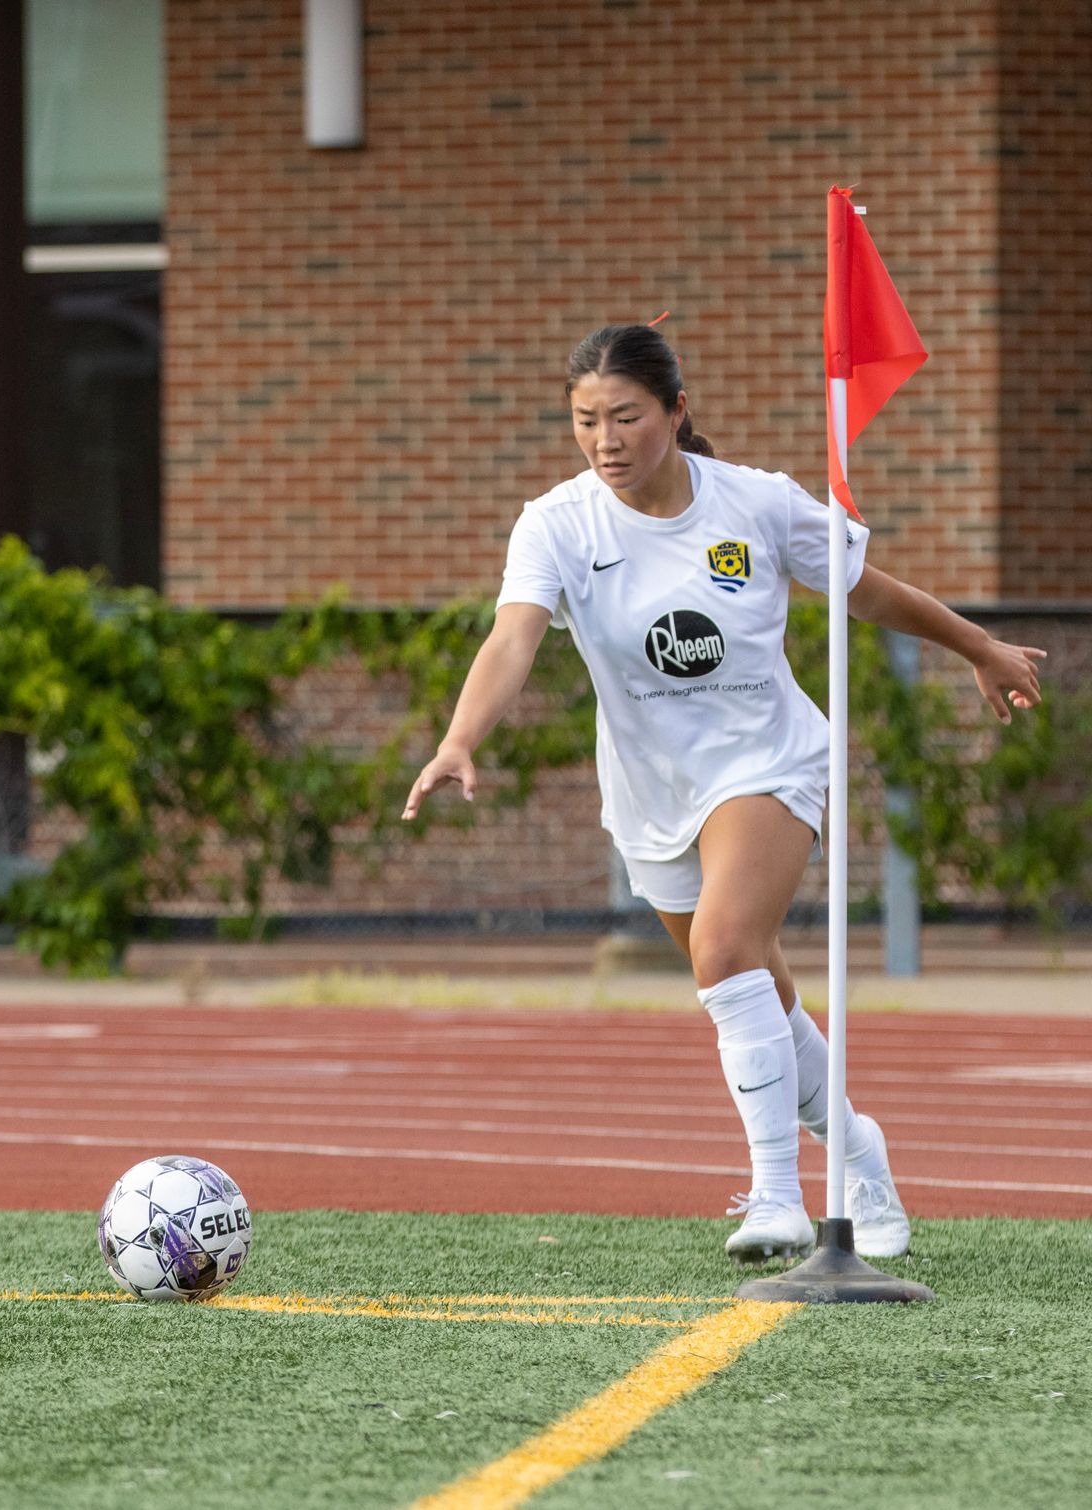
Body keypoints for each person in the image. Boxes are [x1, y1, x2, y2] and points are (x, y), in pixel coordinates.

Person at [401, 323, 1046, 1263]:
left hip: (770, 760)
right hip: (652, 793)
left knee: (726, 945)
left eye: (626, 416)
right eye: (586, 421)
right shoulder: (558, 522)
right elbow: (514, 638)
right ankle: (859, 1151)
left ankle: (778, 1196)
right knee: (756, 991)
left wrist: (977, 645)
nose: (606, 440)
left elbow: (867, 589)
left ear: (676, 411)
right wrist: (460, 738)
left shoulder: (757, 503)